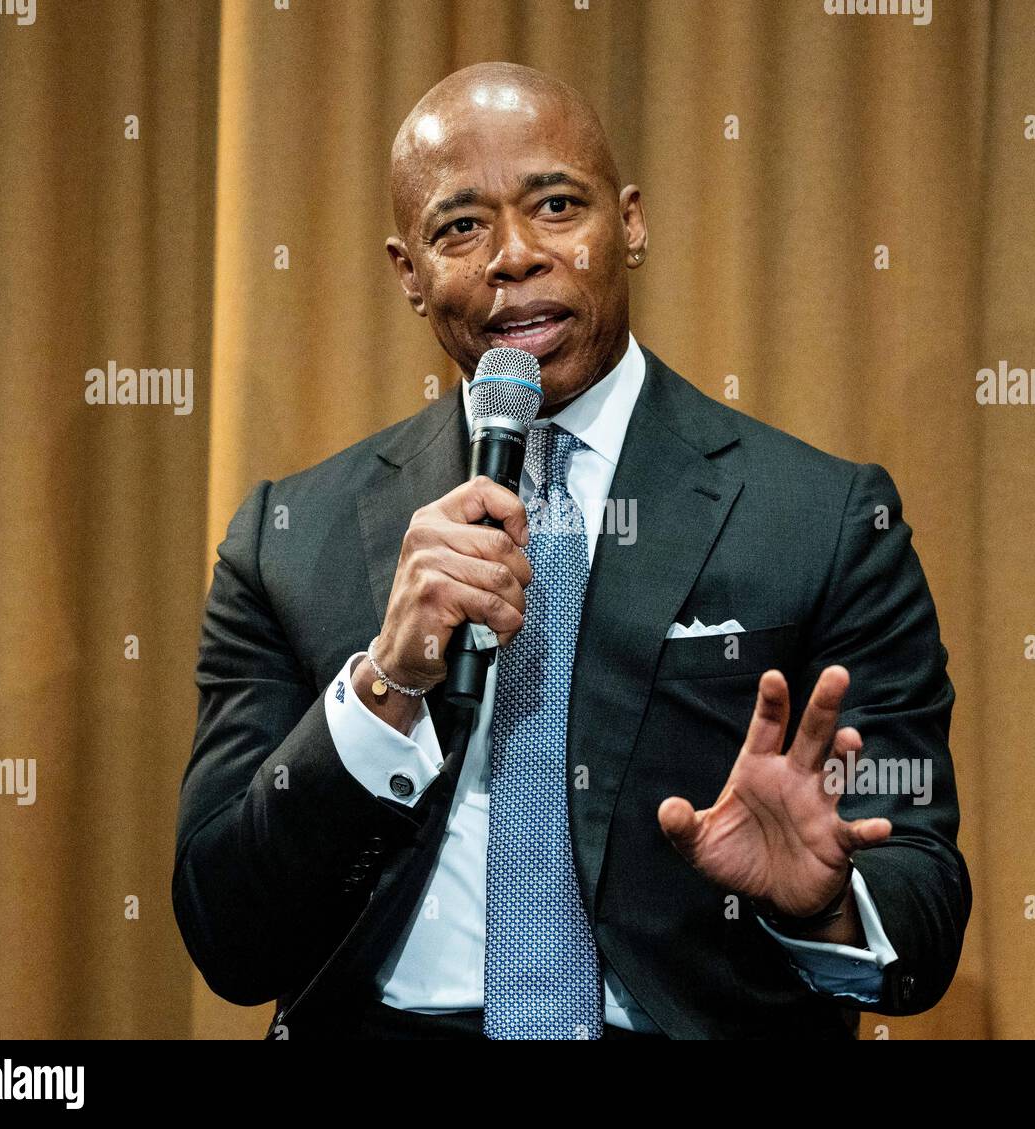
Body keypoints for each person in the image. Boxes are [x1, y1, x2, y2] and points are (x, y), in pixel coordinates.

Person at [172, 61, 970, 1040]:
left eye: (556, 205)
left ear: (628, 223)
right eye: (460, 227)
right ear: (408, 274)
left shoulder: (823, 518)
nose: (513, 256)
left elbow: (923, 902)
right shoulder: (285, 540)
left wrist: (819, 903)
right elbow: (226, 936)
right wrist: (384, 685)